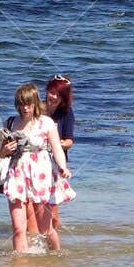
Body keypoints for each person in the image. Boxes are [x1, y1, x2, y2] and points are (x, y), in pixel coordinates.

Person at [0, 83, 72, 253]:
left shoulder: (46, 122)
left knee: (45, 229)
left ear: (35, 102)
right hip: (16, 176)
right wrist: (4, 151)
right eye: (21, 104)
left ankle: (56, 257)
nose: (24, 108)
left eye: (28, 104)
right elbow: (0, 154)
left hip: (41, 176)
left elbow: (57, 149)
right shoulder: (10, 123)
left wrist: (62, 167)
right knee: (18, 229)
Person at [40, 75, 76, 236]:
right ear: (47, 91)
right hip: (36, 162)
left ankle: (55, 238)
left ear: (64, 98)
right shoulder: (37, 109)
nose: (53, 97)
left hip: (56, 164)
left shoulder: (66, 113)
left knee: (52, 209)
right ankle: (38, 238)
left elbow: (69, 141)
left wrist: (55, 143)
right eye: (52, 92)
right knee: (37, 204)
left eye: (58, 95)